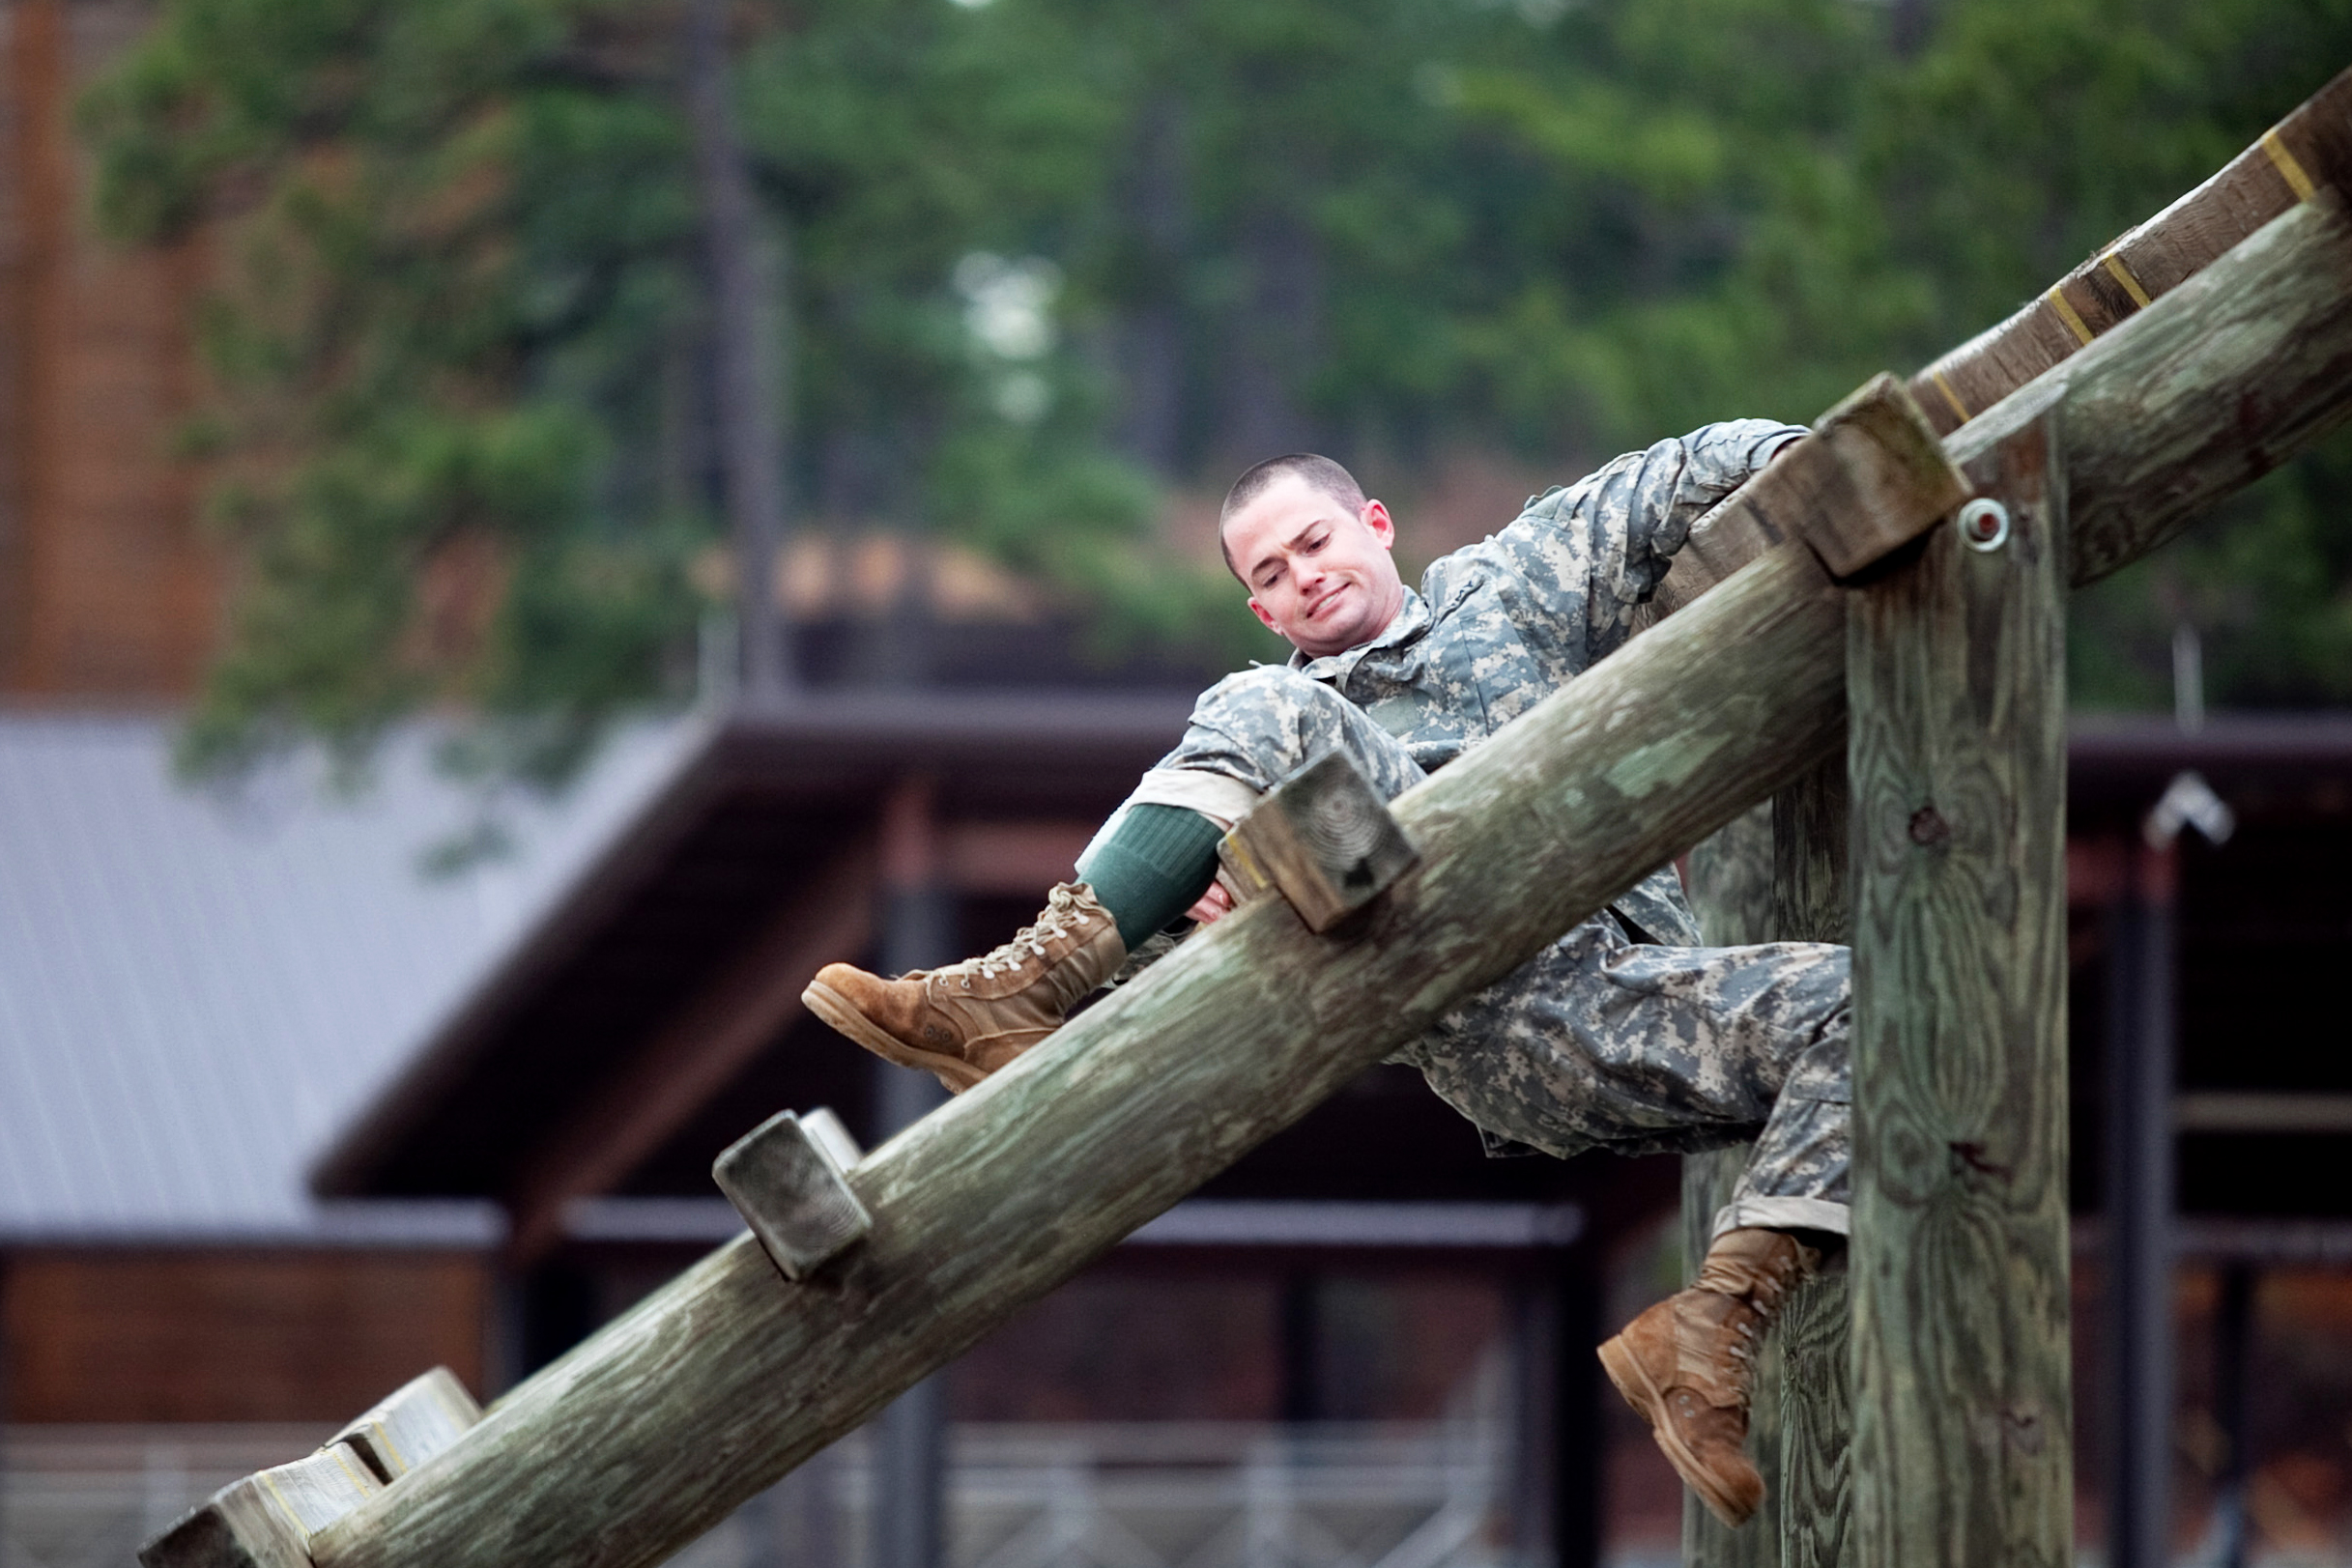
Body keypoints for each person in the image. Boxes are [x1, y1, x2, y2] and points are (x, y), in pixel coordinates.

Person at [801, 425, 1850, 1528]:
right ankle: (1027, 985)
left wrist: (1819, 447)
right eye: (1273, 575)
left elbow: (1679, 471)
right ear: (1263, 611)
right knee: (1263, 717)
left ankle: (1711, 1330)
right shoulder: (1257, 748)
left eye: (1314, 543)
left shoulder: (1512, 585)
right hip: (1457, 1004)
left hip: (1603, 1002)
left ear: (1374, 525)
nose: (1305, 576)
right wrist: (1208, 917)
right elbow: (1198, 987)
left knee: (1863, 1011)